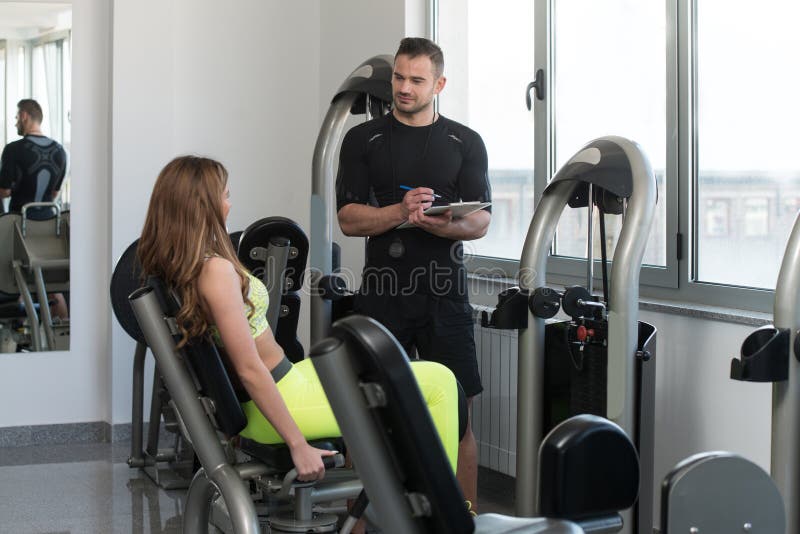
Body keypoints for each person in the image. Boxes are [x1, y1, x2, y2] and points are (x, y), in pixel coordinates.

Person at [137, 155, 461, 482]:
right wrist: (297, 443)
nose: (228, 205)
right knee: (440, 381)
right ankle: (444, 516)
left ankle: (384, 512)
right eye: (225, 196)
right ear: (202, 205)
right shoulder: (215, 271)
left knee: (370, 367)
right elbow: (249, 368)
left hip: (290, 380)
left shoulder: (182, 268)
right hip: (285, 398)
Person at [336, 37, 491, 509]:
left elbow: (481, 222)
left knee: (458, 417)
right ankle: (366, 519)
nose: (404, 87)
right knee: (373, 415)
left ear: (438, 84)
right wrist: (400, 213)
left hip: (444, 297)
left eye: (416, 80)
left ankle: (464, 518)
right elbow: (348, 218)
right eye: (399, 77)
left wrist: (445, 223)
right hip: (384, 297)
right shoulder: (363, 139)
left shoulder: (465, 142)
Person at [0, 99, 69, 320]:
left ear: (24, 116)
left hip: (20, 230)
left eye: (16, 118)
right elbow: (54, 195)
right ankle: (63, 335)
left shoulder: (13, 150)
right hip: (51, 233)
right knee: (53, 286)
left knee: (18, 282)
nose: (15, 123)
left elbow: (4, 191)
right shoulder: (60, 151)